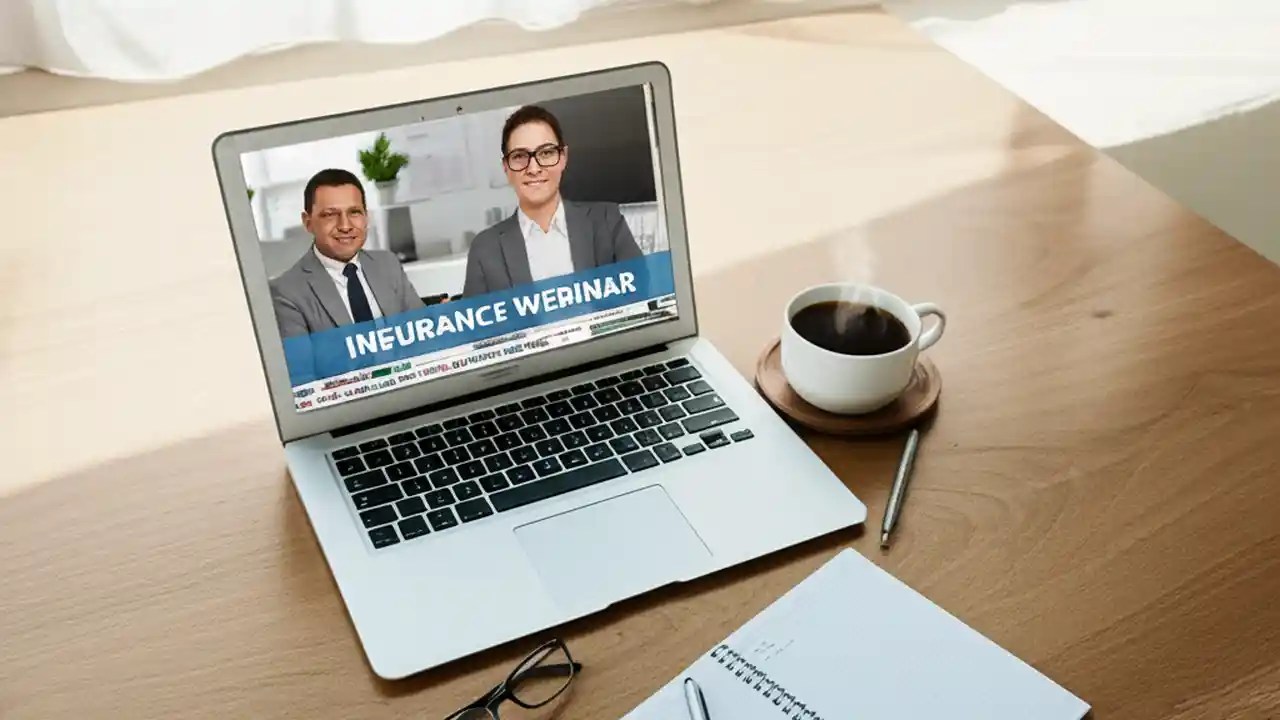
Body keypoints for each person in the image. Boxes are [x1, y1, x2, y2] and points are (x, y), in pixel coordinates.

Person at [462, 105, 643, 297]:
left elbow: (644, 295)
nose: (533, 168)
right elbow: (480, 325)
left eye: (546, 153)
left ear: (563, 157)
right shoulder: (486, 248)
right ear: (506, 168)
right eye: (520, 156)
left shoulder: (606, 221)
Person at [270, 168, 425, 338]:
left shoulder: (387, 263)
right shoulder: (286, 292)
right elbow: (302, 363)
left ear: (366, 217)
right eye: (330, 215)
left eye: (354, 212)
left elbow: (423, 331)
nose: (345, 226)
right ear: (308, 223)